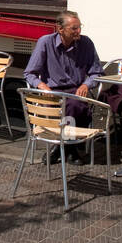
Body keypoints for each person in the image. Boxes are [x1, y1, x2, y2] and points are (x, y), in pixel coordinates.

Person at [24, 11, 102, 161]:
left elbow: (97, 72)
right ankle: (70, 147)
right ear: (60, 29)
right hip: (53, 93)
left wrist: (86, 84)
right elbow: (29, 74)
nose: (78, 31)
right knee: (67, 106)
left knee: (73, 104)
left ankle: (61, 147)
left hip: (76, 91)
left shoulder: (86, 43)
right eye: (74, 28)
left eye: (79, 27)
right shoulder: (46, 42)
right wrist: (43, 86)